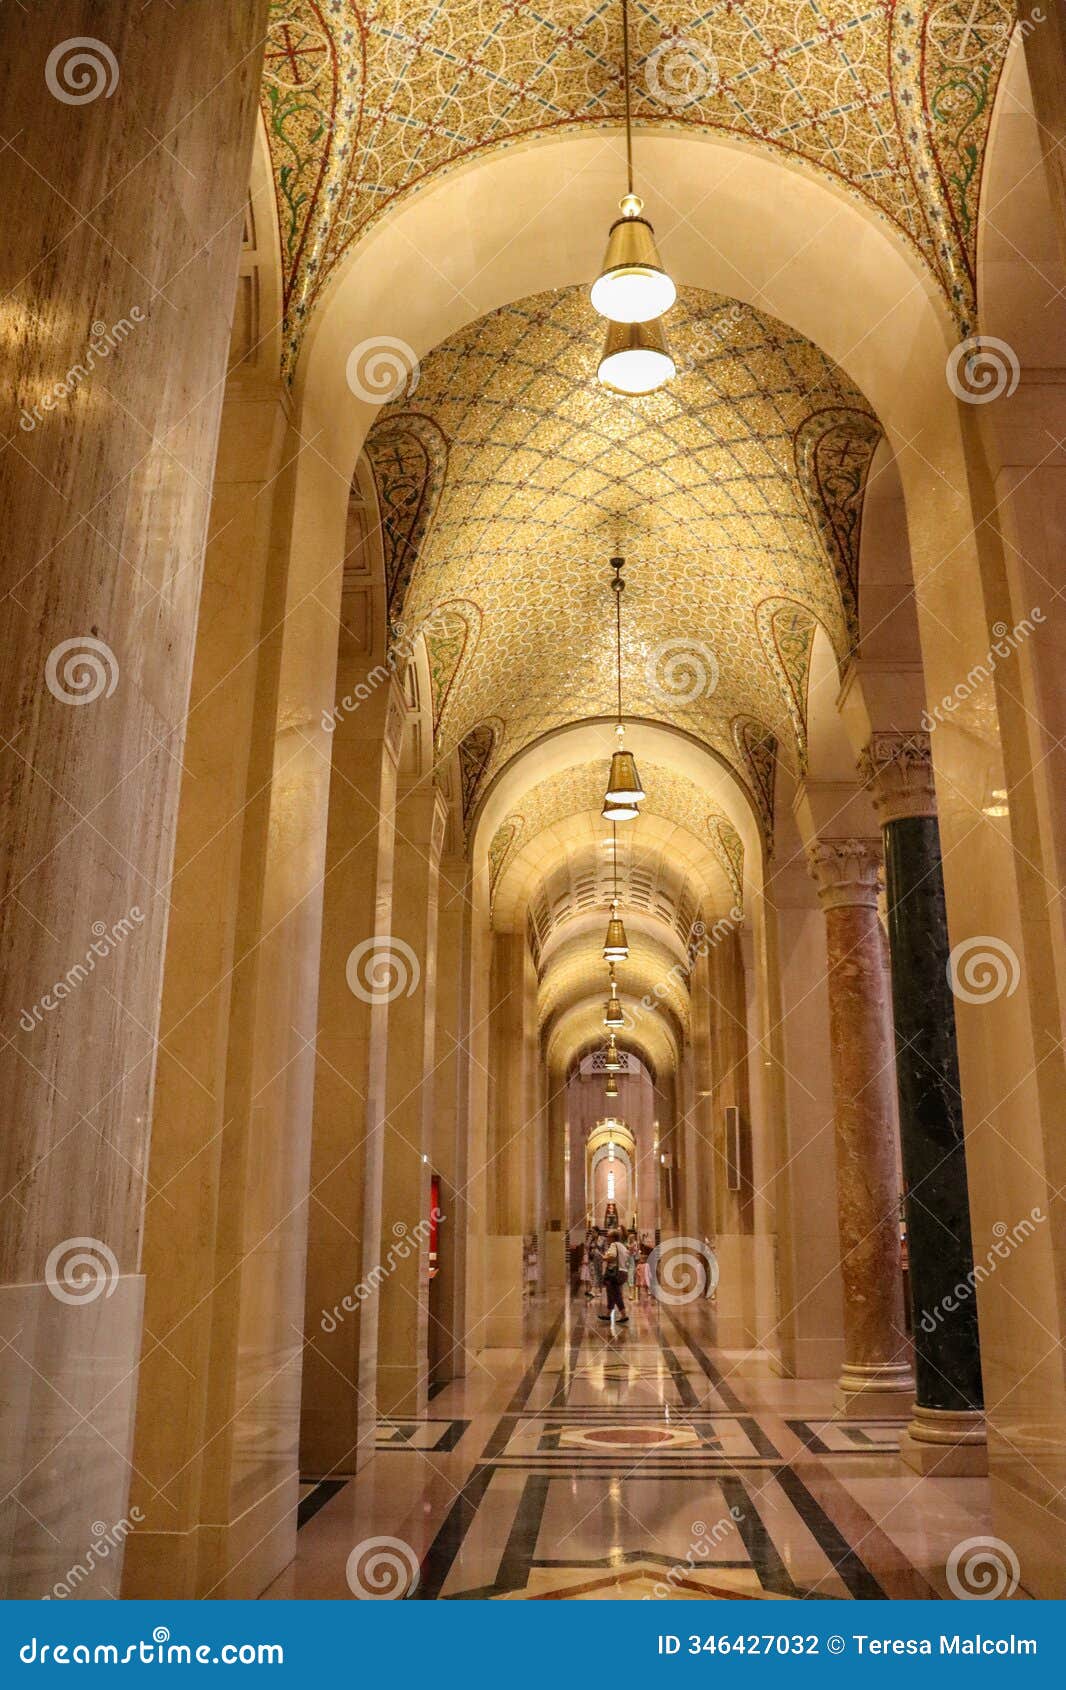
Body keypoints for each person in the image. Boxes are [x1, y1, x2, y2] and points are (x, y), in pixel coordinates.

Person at [598, 1228, 629, 1323]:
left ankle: (623, 1315)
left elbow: (612, 1256)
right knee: (611, 1292)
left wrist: (604, 1257)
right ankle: (608, 1314)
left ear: (613, 1238)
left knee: (615, 1294)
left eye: (608, 1236)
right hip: (623, 1272)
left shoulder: (613, 1245)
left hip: (614, 1273)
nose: (607, 1238)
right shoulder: (622, 1246)